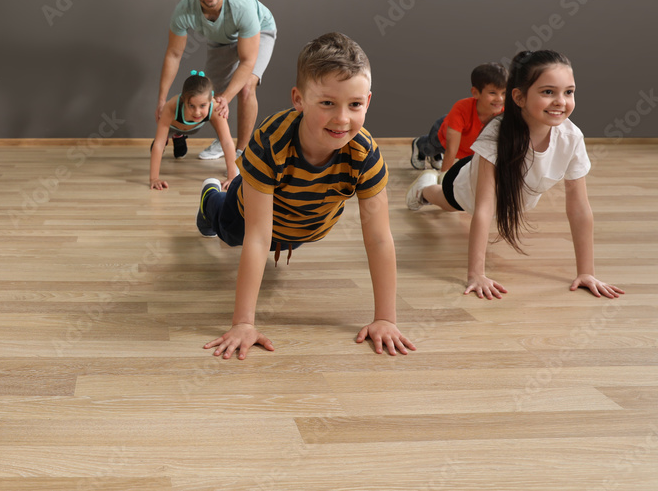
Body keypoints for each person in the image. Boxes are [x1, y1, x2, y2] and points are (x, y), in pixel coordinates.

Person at [198, 33, 415, 360]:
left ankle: (244, 182)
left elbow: (380, 238)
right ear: (298, 99)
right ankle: (212, 196)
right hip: (244, 219)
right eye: (327, 102)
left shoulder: (364, 154)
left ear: (367, 101)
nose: (342, 118)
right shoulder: (271, 140)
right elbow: (257, 237)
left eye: (354, 104)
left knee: (275, 226)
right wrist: (243, 323)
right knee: (228, 233)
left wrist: (385, 318)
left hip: (300, 228)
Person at [406, 50, 624, 300]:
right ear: (519, 97)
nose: (560, 101)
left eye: (569, 92)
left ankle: (430, 184)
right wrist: (476, 274)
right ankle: (425, 188)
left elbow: (579, 206)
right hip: (465, 184)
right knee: (447, 204)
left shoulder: (571, 138)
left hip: (505, 190)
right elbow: (484, 206)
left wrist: (586, 272)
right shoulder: (496, 135)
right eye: (548, 92)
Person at [156, 0, 277, 161]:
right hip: (220, 39)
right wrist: (161, 99)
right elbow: (174, 54)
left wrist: (226, 99)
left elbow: (247, 60)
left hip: (260, 32)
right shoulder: (184, 11)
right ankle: (212, 138)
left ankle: (241, 151)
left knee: (246, 87)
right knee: (207, 95)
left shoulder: (242, 6)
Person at [410, 63, 508, 172]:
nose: (500, 99)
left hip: (467, 147)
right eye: (493, 93)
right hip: (443, 134)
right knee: (430, 148)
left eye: (504, 93)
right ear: (475, 93)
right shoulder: (461, 109)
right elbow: (451, 150)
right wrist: (443, 179)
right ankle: (419, 144)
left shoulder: (504, 114)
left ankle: (435, 156)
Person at [150, 70, 238, 190]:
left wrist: (232, 177)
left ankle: (179, 136)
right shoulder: (171, 107)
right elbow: (159, 144)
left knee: (180, 150)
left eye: (202, 106)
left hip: (193, 129)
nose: (197, 112)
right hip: (172, 127)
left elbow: (227, 142)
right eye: (191, 106)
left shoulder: (216, 107)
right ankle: (174, 135)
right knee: (157, 148)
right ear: (183, 100)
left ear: (210, 100)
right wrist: (154, 178)